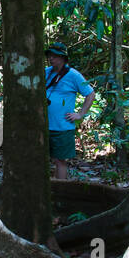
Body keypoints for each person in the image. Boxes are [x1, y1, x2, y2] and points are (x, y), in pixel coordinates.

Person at [44, 42, 94, 181]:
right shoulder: (46, 72)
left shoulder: (73, 75)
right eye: (50, 55)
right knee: (44, 160)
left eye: (55, 56)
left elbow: (90, 94)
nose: (51, 58)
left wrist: (80, 114)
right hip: (44, 125)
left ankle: (60, 189)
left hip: (62, 127)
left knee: (60, 161)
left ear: (63, 57)